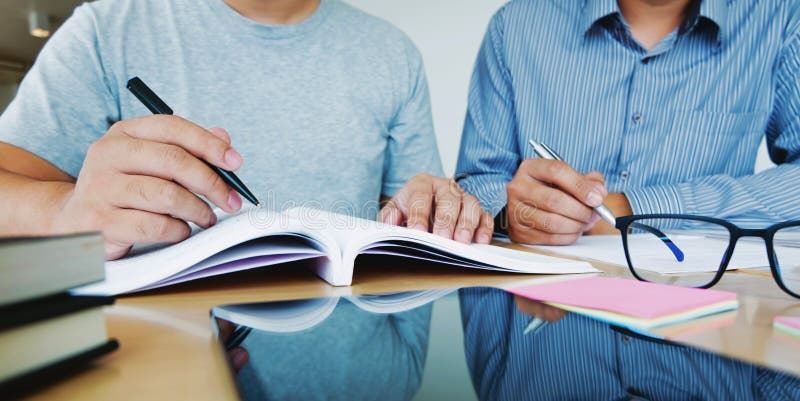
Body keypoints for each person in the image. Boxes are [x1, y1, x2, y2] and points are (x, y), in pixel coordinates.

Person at [456, 0, 800, 398]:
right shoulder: (516, 25)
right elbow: (475, 181)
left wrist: (633, 209)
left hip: (711, 326)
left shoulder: (780, 18)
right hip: (539, 332)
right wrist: (509, 212)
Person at [0, 0, 494, 260]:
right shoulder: (103, 31)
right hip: (167, 369)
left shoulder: (393, 53)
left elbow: (405, 215)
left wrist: (433, 209)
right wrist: (64, 210)